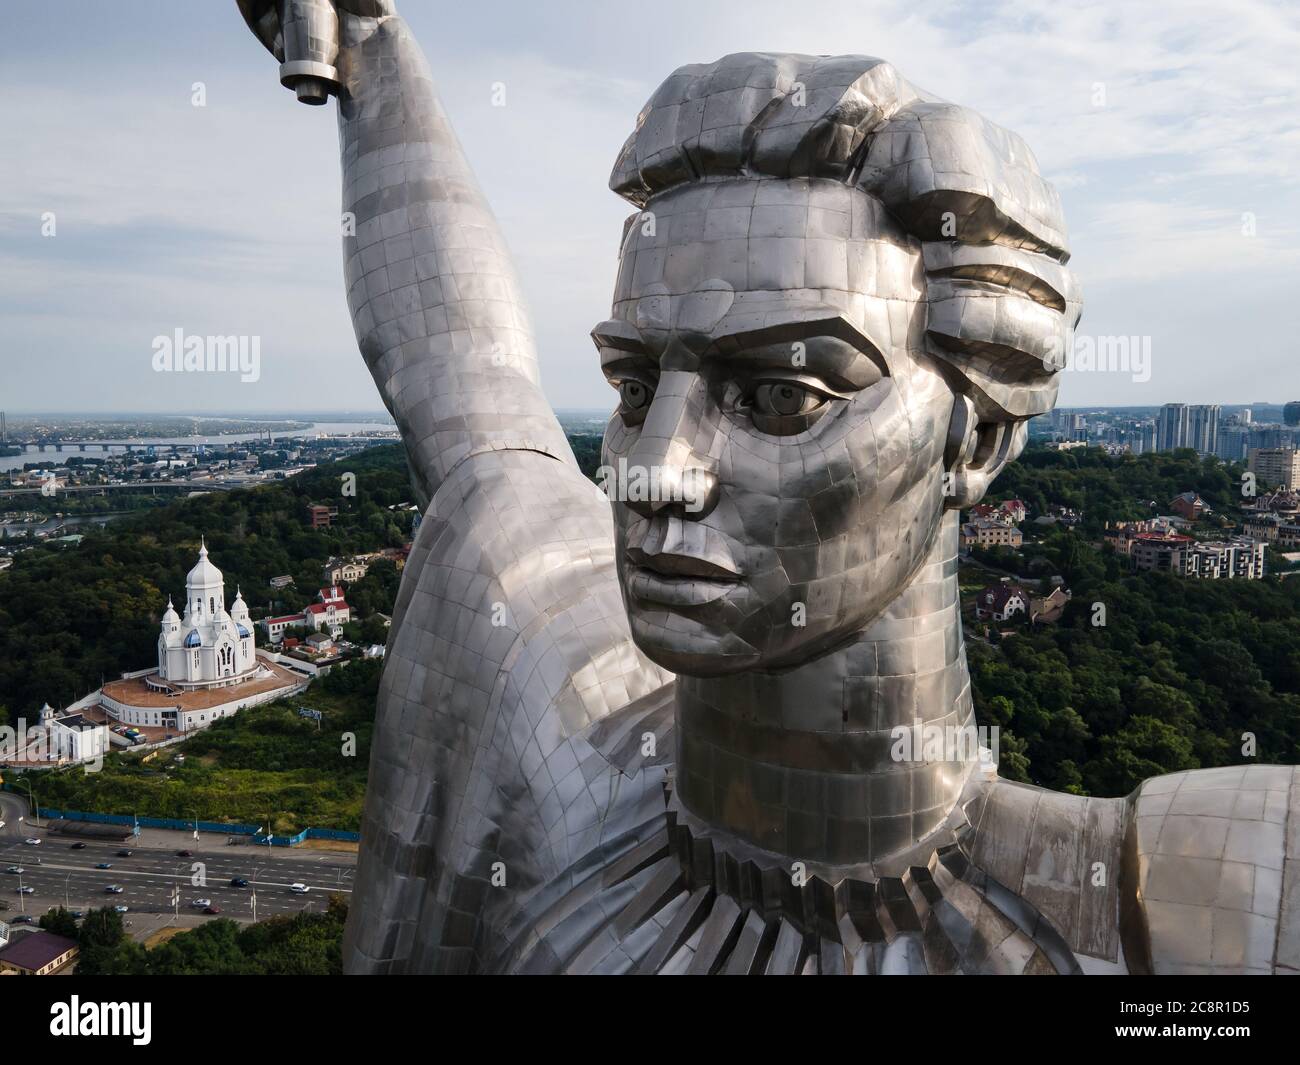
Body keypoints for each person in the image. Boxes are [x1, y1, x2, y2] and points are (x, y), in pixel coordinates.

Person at [237, 1, 1300, 975]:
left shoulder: (1188, 905)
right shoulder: (563, 744)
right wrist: (371, 50)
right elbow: (462, 383)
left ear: (972, 440)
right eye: (637, 383)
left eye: (781, 398)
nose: (652, 467)